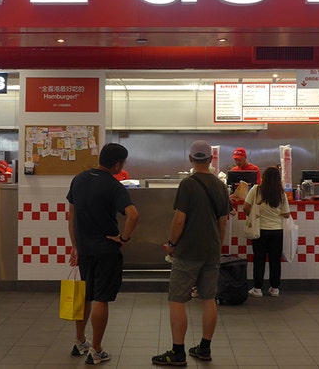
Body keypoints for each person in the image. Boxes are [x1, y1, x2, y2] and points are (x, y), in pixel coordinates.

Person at [152, 141, 231, 366]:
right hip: (211, 251)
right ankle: (204, 348)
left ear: (190, 159)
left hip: (188, 250)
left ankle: (178, 352)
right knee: (208, 299)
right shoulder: (220, 186)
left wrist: (171, 243)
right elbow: (223, 222)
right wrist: (217, 246)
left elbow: (179, 220)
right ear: (210, 160)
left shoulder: (187, 184)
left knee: (177, 300)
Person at [67, 143, 139, 366]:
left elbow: (71, 216)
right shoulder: (114, 186)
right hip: (106, 249)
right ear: (117, 164)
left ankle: (80, 341)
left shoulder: (79, 179)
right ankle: (96, 350)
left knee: (85, 295)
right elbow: (133, 215)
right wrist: (123, 238)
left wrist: (75, 246)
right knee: (101, 298)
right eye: (123, 163)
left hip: (85, 249)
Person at [243, 166, 290, 297]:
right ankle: (275, 288)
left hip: (260, 230)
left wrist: (253, 216)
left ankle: (257, 289)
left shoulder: (256, 190)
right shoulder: (281, 194)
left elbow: (245, 207)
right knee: (275, 260)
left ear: (264, 177)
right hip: (277, 231)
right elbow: (286, 214)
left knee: (259, 259)